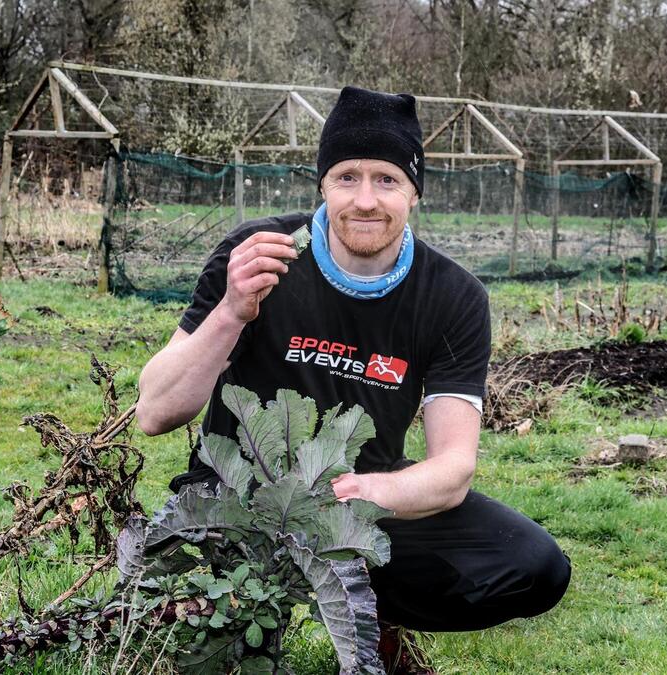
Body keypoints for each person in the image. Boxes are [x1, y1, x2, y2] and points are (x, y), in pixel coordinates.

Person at [136, 86, 570, 674]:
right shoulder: (259, 255)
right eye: (346, 177)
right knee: (214, 648)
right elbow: (155, 412)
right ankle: (225, 603)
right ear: (322, 184)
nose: (365, 200)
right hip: (238, 500)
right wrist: (231, 311)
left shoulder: (453, 296)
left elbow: (452, 471)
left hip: (361, 503)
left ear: (415, 190)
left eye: (387, 179)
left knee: (534, 565)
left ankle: (367, 608)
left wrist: (364, 496)